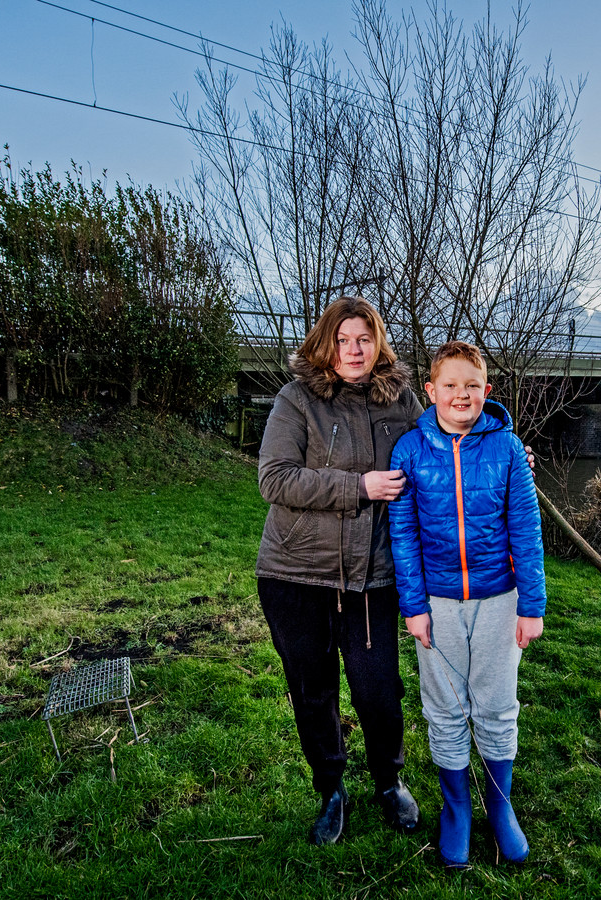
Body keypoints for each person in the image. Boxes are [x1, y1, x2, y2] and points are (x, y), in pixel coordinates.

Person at [255, 296, 422, 845]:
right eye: (344, 340)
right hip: (296, 574)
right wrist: (359, 487)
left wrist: (502, 450)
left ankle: (387, 780)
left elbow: (442, 454)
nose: (354, 350)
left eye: (365, 340)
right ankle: (331, 788)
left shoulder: (402, 401)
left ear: (379, 344)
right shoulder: (296, 399)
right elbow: (274, 479)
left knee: (378, 689)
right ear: (327, 343)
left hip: (373, 574)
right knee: (313, 690)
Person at [388, 341, 547, 867]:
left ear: (487, 392)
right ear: (431, 391)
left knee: (497, 706)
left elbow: (526, 530)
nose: (462, 395)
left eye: (472, 386)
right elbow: (404, 535)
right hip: (436, 603)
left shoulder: (506, 450)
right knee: (446, 709)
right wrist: (413, 606)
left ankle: (500, 807)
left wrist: (532, 604)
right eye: (450, 385)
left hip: (500, 600)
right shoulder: (410, 451)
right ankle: (456, 808)